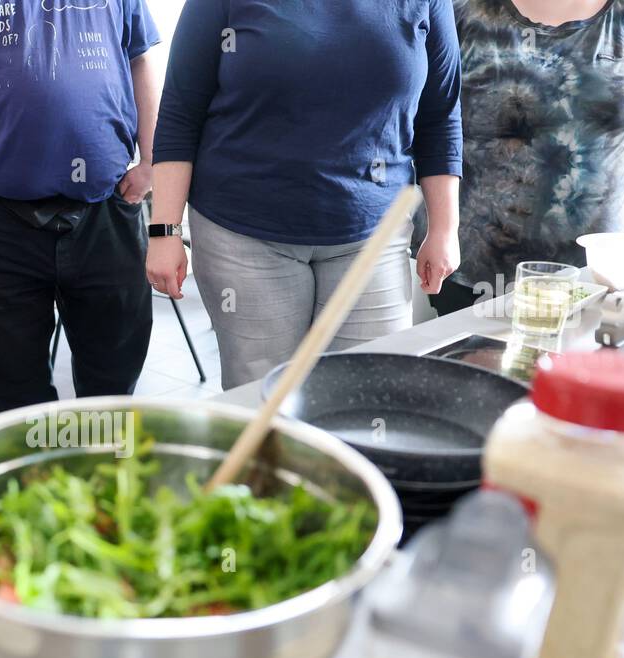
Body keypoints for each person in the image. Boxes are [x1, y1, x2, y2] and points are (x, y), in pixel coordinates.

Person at [147, 0, 465, 390]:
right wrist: (164, 230)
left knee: (366, 399)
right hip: (243, 234)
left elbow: (440, 114)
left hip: (373, 236)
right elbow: (181, 108)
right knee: (264, 405)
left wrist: (445, 228)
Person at [0, 0, 161, 414]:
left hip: (106, 209)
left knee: (113, 391)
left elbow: (138, 56)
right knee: (18, 400)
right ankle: (37, 476)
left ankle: (101, 475)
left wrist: (150, 162)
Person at [426, 0, 624, 316]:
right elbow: (430, 127)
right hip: (477, 272)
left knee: (571, 367)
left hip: (600, 275)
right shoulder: (462, 12)